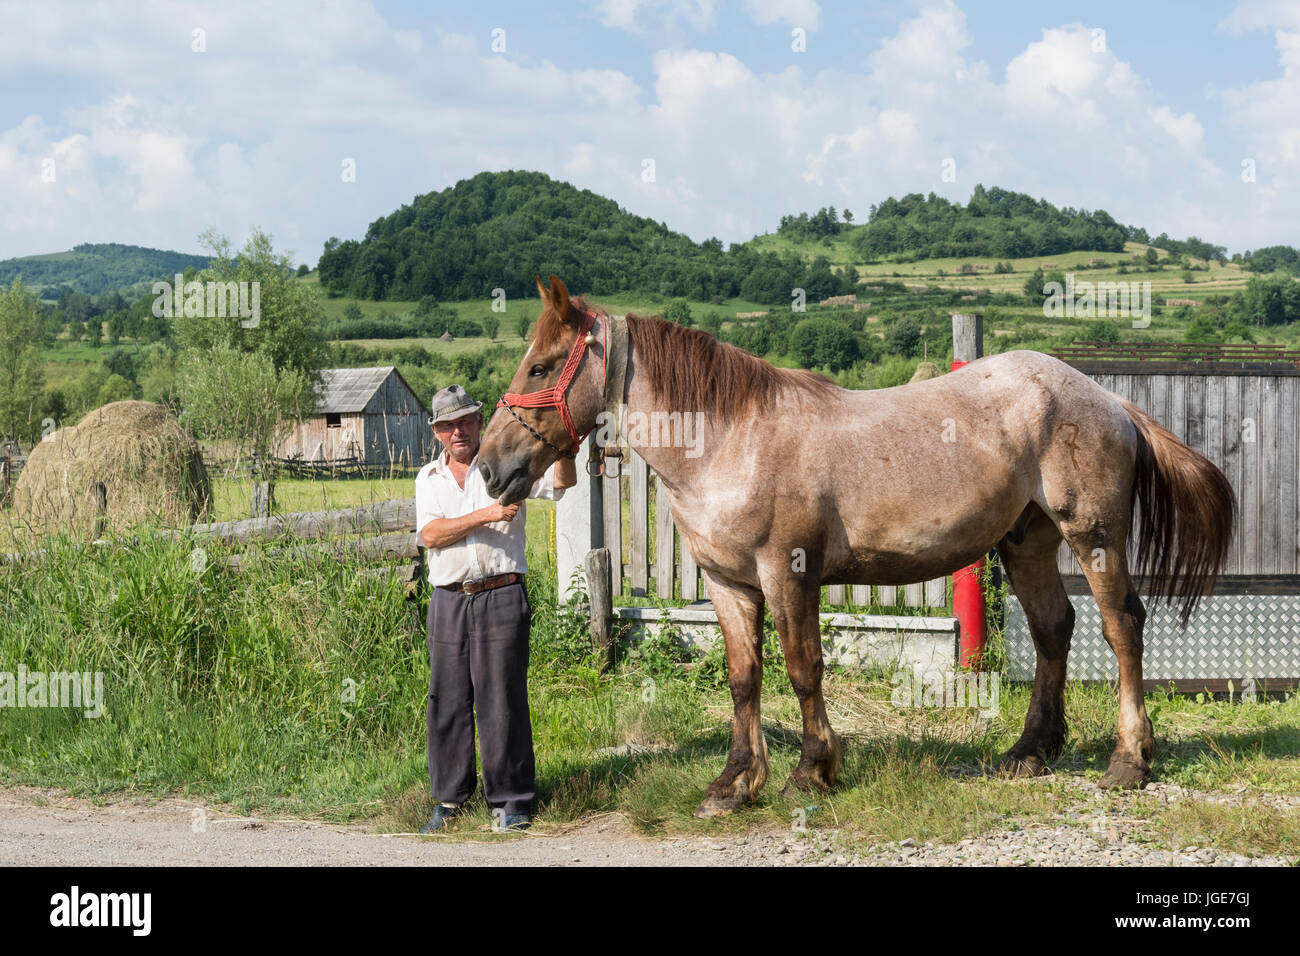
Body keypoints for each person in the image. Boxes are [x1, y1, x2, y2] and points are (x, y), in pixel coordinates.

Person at [415, 384, 576, 833]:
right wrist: (485, 516)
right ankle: (448, 803)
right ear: (437, 432)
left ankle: (511, 801)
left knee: (501, 699)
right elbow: (430, 535)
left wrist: (562, 443)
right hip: (449, 599)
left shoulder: (506, 464)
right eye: (448, 425)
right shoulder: (428, 477)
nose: (459, 431)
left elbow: (562, 484)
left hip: (501, 593)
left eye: (466, 421)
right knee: (447, 701)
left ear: (479, 422)